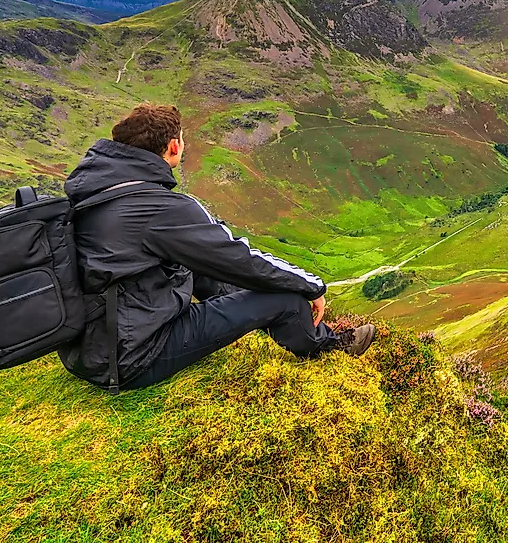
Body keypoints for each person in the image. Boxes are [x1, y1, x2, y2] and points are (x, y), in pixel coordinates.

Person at [58, 103, 374, 392]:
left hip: (89, 351)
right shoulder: (161, 209)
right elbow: (239, 259)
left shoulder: (95, 191)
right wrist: (311, 285)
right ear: (173, 147)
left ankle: (257, 319)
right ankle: (330, 347)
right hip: (134, 358)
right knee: (286, 298)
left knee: (195, 265)